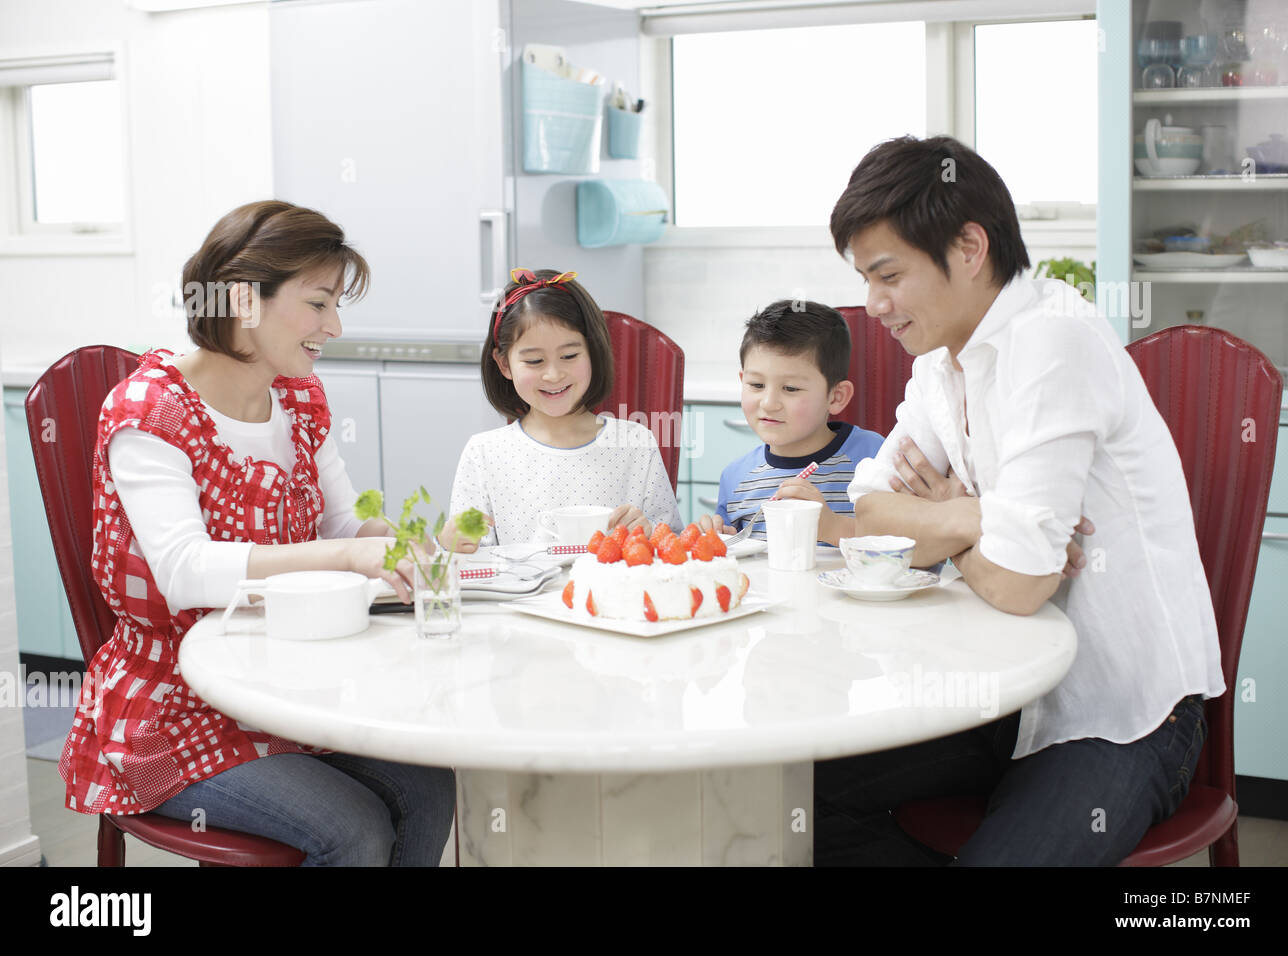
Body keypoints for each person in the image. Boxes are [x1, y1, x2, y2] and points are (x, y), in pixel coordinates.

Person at [814, 135, 1224, 866]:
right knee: (796, 795)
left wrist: (954, 527)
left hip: (1119, 713)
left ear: (969, 247)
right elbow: (867, 518)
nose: (873, 305)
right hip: (997, 692)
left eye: (889, 276)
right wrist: (975, 514)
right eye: (865, 279)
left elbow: (1019, 583)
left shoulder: (1053, 342)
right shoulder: (941, 362)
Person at [59, 200, 461, 866]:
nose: (334, 327)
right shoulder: (152, 411)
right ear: (245, 300)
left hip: (286, 688)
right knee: (354, 829)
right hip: (175, 708)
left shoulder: (299, 400)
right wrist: (349, 553)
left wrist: (406, 544)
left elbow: (342, 522)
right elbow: (185, 570)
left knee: (429, 786)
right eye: (319, 304)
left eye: (336, 306)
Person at [447, 268, 682, 545]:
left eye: (569, 356)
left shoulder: (636, 443)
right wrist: (450, 544)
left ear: (593, 352)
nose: (553, 375)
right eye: (534, 361)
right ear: (504, 364)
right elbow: (468, 557)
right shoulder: (484, 453)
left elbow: (673, 542)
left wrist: (649, 531)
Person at [694, 299, 884, 545]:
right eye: (756, 385)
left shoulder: (874, 457)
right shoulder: (735, 477)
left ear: (836, 397)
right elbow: (734, 550)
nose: (769, 403)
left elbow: (909, 543)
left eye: (791, 388)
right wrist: (722, 539)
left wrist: (832, 527)